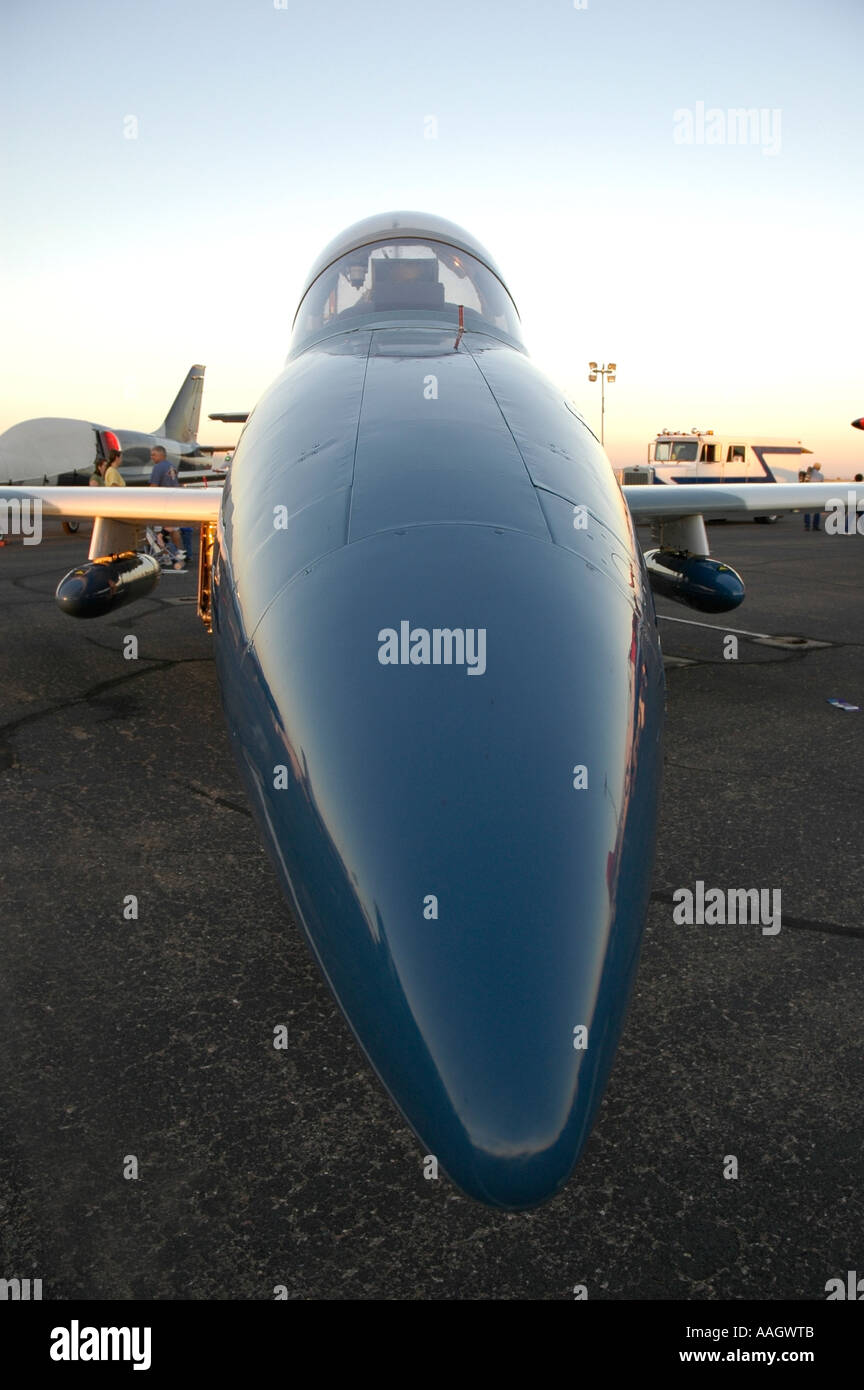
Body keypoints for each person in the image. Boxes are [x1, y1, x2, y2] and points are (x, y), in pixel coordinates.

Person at [148, 445, 186, 570]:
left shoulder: (158, 468)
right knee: (174, 529)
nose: (151, 457)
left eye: (154, 454)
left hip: (162, 504)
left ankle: (166, 557)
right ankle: (179, 552)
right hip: (174, 502)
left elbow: (153, 487)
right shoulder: (172, 466)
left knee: (159, 532)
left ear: (161, 454)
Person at [808, 462, 824, 532]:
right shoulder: (821, 475)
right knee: (817, 511)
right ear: (819, 468)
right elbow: (821, 486)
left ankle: (807, 526)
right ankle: (815, 526)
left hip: (808, 494)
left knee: (807, 510)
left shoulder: (809, 473)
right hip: (817, 494)